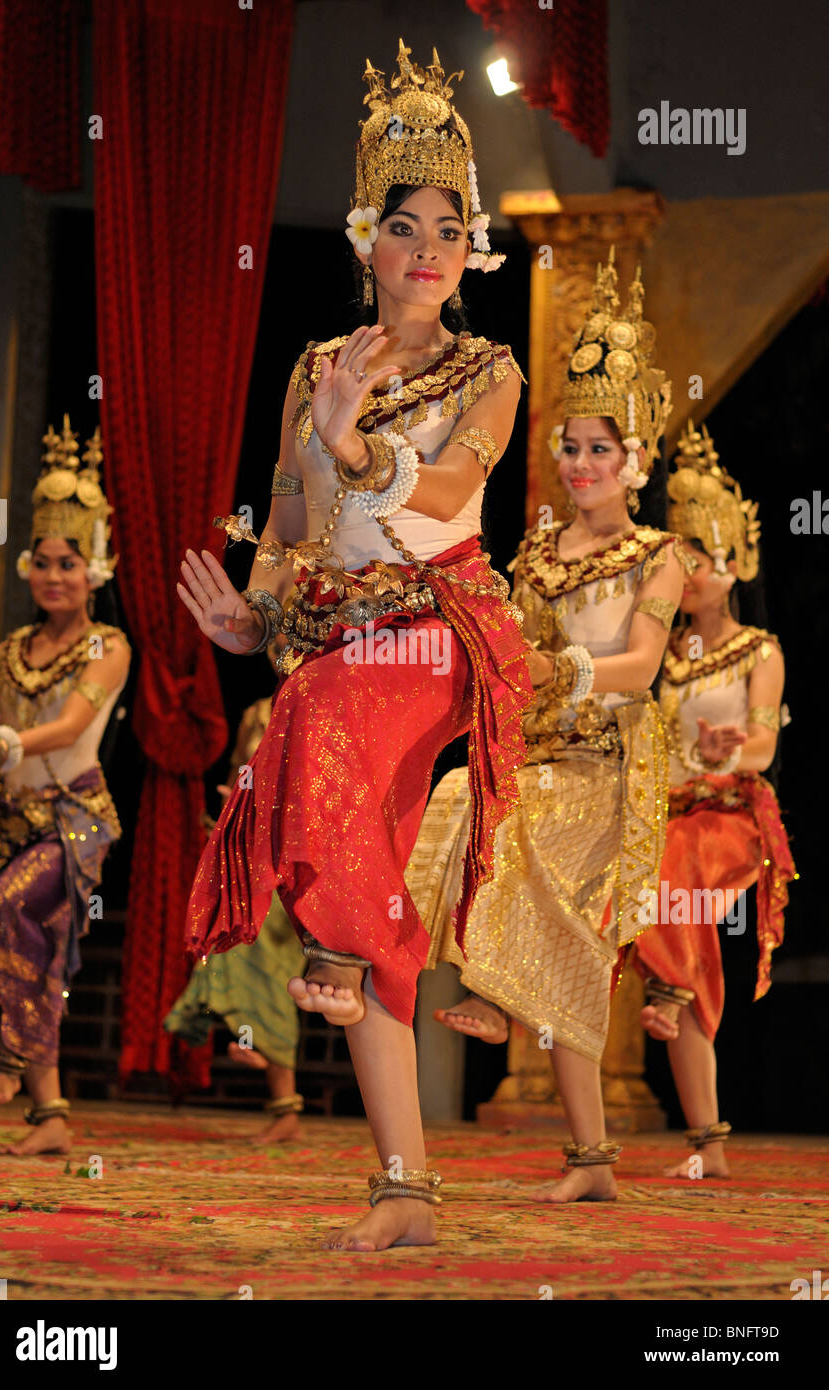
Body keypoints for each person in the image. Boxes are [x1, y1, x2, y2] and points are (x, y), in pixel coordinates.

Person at [176, 40, 533, 1251]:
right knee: (333, 798)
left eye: (448, 225)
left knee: (317, 725)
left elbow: (441, 501)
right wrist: (248, 612)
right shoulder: (310, 369)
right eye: (403, 224)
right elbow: (281, 531)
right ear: (363, 241)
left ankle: (351, 940)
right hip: (334, 640)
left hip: (443, 630)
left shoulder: (491, 368)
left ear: (468, 245)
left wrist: (368, 453)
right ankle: (404, 1184)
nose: (427, 247)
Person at [406, 250, 689, 1202]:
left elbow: (641, 669)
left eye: (599, 450)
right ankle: (592, 1161)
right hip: (539, 752)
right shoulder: (535, 548)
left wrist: (561, 668)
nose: (579, 466)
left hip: (608, 767)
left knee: (515, 835)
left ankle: (487, 988)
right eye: (568, 448)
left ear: (636, 460)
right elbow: (511, 649)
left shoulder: (660, 557)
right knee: (461, 807)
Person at [633, 422, 796, 1177]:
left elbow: (762, 749)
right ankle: (708, 1145)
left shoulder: (758, 650)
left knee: (679, 870)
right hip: (664, 820)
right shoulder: (655, 658)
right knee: (681, 925)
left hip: (728, 819)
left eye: (701, 556)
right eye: (679, 555)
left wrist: (731, 749)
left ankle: (666, 993)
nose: (688, 570)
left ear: (736, 562)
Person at [0, 416, 129, 1155]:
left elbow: (63, 731)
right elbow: (5, 741)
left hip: (74, 820)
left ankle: (1, 1053)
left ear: (96, 567)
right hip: (10, 817)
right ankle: (52, 1114)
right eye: (43, 561)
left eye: (69, 562)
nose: (54, 575)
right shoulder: (9, 650)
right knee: (35, 952)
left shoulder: (108, 646)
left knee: (6, 914)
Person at [164, 662, 307, 1144]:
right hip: (248, 850)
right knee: (235, 943)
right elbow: (237, 776)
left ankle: (274, 1074)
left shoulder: (328, 707)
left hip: (298, 853)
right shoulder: (257, 714)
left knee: (274, 963)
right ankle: (251, 1042)